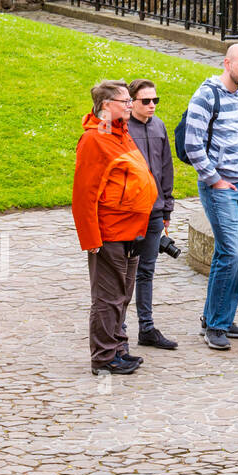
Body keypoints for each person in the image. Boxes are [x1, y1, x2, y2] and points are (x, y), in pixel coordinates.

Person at [72, 80, 157, 375]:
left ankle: (118, 349)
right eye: (125, 101)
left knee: (123, 294)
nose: (130, 105)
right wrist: (91, 238)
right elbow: (84, 195)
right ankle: (104, 357)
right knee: (107, 298)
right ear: (107, 106)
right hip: (109, 233)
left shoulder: (121, 133)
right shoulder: (94, 140)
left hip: (131, 231)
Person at [185, 43, 238, 351]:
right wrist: (215, 180)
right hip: (220, 188)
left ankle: (220, 319)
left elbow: (235, 136)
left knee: (226, 254)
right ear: (227, 63)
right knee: (232, 255)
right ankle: (214, 326)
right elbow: (192, 145)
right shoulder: (206, 95)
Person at [127, 78, 176, 350]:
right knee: (124, 271)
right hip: (130, 212)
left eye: (155, 100)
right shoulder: (123, 130)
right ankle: (118, 330)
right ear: (132, 102)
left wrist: (167, 206)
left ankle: (146, 328)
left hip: (155, 211)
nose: (151, 105)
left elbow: (166, 167)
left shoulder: (159, 126)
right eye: (145, 101)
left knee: (146, 270)